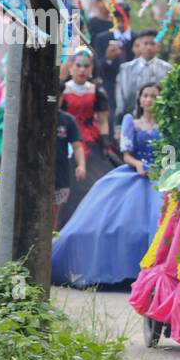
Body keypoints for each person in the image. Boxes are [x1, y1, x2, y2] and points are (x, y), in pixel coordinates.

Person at [52, 83, 164, 286]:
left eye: (153, 96)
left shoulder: (165, 125)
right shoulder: (132, 122)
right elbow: (127, 155)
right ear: (139, 99)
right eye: (145, 95)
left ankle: (152, 277)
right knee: (115, 224)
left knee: (155, 226)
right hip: (135, 174)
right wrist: (139, 164)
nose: (149, 100)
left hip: (159, 177)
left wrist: (163, 168)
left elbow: (169, 153)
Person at [58, 48, 115, 228]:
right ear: (71, 67)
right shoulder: (63, 89)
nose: (82, 70)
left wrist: (106, 140)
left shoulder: (96, 91)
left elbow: (103, 119)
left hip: (90, 137)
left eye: (86, 66)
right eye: (78, 65)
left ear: (91, 69)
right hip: (65, 137)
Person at [114, 30, 172, 135]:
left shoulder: (167, 69)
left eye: (152, 44)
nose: (149, 47)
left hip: (159, 122)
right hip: (131, 118)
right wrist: (118, 127)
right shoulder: (126, 69)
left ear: (158, 46)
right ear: (139, 45)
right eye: (146, 44)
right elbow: (121, 99)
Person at [54, 107, 86, 227]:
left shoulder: (67, 120)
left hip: (60, 172)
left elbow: (77, 146)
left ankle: (51, 241)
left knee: (54, 211)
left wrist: (81, 165)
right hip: (35, 172)